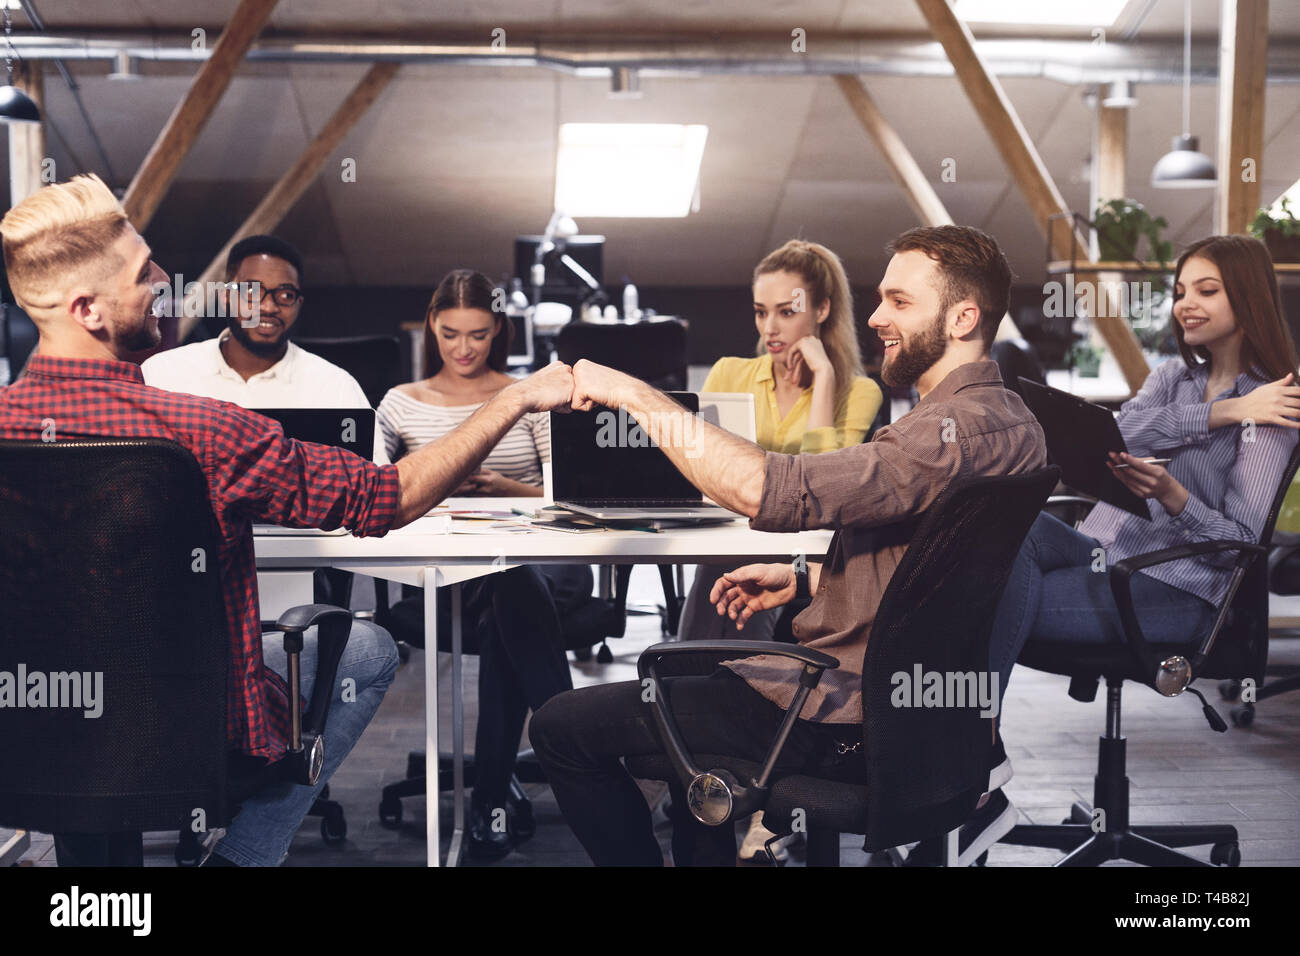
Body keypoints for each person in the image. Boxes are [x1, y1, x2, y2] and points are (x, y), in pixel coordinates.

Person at [0, 175, 575, 866]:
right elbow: (386, 498)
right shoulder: (203, 430)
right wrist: (514, 401)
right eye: (143, 272)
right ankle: (242, 856)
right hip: (186, 731)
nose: (164, 282)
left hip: (29, 733)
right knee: (364, 648)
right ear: (88, 308)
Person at [529, 224, 1048, 866]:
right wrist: (805, 580)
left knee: (560, 726)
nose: (880, 317)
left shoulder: (941, 436)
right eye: (882, 299)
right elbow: (938, 569)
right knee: (683, 677)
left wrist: (633, 396)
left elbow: (771, 490)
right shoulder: (1011, 421)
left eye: (901, 302)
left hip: (840, 716)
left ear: (964, 316)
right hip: (907, 713)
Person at [983, 234, 1300, 849]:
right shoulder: (1174, 378)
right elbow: (1119, 433)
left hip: (1176, 587)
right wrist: (1222, 414)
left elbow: (1237, 543)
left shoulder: (1276, 410)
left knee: (993, 593)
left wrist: (1175, 495)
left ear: (1249, 297)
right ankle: (980, 743)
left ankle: (969, 755)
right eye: (1182, 291)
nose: (1187, 304)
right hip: (1105, 551)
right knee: (1002, 523)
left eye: (1208, 290)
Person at [377, 269, 595, 860]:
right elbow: (376, 491)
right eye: (450, 334)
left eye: (477, 334)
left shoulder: (528, 394)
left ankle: (494, 801)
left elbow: (566, 491)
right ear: (432, 326)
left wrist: (501, 484)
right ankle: (583, 758)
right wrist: (439, 484)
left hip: (546, 559)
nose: (464, 348)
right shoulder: (401, 404)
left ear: (497, 329)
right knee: (509, 593)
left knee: (514, 584)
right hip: (448, 572)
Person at [142, 234, 386, 608]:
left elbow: (374, 483)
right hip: (181, 573)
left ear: (298, 303)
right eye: (252, 291)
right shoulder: (164, 373)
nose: (268, 306)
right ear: (226, 295)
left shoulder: (333, 384)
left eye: (284, 295)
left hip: (300, 572)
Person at [680, 239, 882, 643]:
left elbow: (824, 493)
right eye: (761, 312)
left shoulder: (859, 392)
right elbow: (699, 468)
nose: (770, 328)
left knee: (740, 566)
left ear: (822, 309)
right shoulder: (729, 373)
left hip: (807, 547)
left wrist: (823, 379)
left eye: (787, 312)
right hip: (729, 533)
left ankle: (705, 689)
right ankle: (694, 684)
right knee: (726, 567)